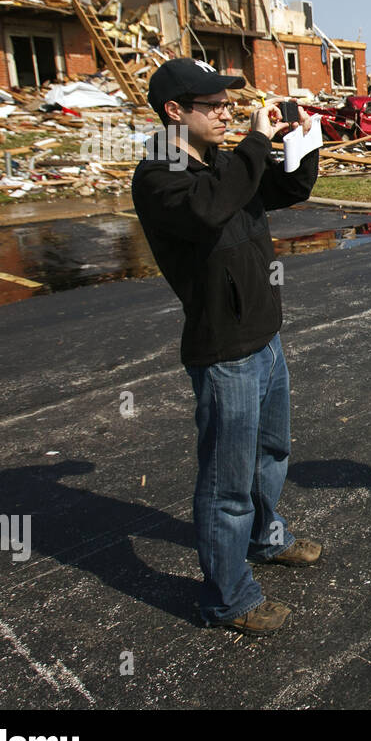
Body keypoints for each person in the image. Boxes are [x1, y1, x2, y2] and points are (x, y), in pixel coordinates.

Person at [132, 58, 323, 635]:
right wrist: (254, 141)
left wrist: (305, 139)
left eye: (228, 104)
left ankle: (267, 539)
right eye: (213, 105)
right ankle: (228, 597)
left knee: (272, 453)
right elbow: (209, 207)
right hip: (223, 350)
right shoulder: (160, 172)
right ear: (175, 112)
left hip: (264, 335)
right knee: (227, 483)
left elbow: (288, 187)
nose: (226, 112)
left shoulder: (221, 161)